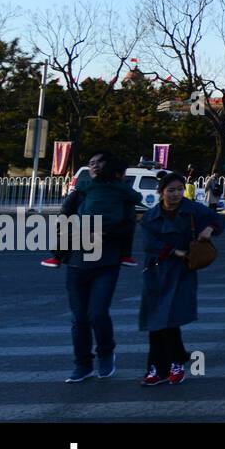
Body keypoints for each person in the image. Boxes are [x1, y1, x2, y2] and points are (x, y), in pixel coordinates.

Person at [138, 171, 225, 386]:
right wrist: (173, 251)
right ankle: (164, 365)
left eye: (179, 190)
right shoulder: (150, 216)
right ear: (160, 192)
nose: (176, 194)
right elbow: (149, 244)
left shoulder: (192, 209)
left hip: (182, 272)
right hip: (157, 271)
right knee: (157, 321)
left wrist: (209, 228)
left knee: (170, 318)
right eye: (171, 190)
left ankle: (165, 365)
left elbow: (218, 220)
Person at [61, 151, 139, 382]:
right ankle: (82, 364)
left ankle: (106, 354)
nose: (94, 167)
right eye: (91, 163)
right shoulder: (81, 192)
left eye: (98, 163)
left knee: (97, 313)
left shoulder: (118, 195)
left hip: (106, 262)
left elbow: (128, 227)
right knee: (79, 318)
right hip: (76, 263)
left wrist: (104, 232)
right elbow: (64, 218)